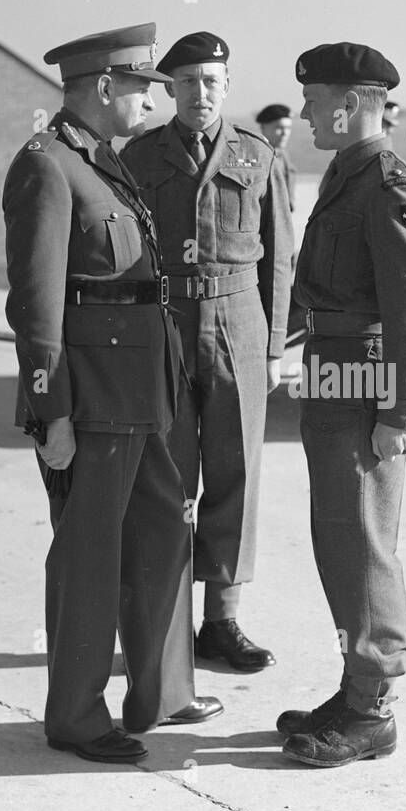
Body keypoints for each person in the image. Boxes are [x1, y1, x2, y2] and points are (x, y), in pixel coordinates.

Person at [3, 23, 222, 765]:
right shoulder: (47, 168)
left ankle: (159, 692)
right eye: (141, 88)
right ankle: (75, 715)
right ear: (103, 87)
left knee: (164, 534)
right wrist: (51, 410)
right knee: (89, 555)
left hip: (145, 393)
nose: (152, 101)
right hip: (92, 401)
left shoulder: (104, 162)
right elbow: (35, 307)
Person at [278, 41, 406, 768]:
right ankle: (355, 687)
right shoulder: (346, 175)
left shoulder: (386, 187)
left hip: (366, 386)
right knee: (339, 540)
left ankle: (373, 710)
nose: (307, 111)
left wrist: (400, 413)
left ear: (349, 105)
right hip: (331, 375)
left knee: (365, 546)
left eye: (315, 100)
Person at [123, 33, 293, 674]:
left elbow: (281, 258)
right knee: (168, 475)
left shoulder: (258, 155)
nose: (200, 92)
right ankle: (165, 622)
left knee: (236, 474)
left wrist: (275, 346)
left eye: (211, 81)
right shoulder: (139, 158)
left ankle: (222, 621)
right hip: (167, 324)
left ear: (228, 86)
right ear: (171, 89)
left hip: (241, 325)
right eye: (188, 81)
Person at [256, 103, 297, 213]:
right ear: (263, 127)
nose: (285, 133)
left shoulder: (283, 156)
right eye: (279, 128)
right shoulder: (256, 156)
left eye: (288, 128)